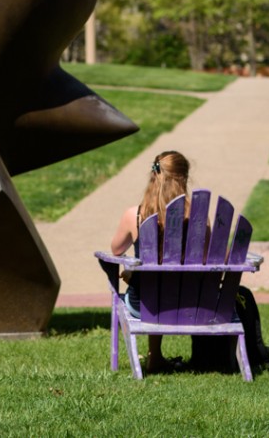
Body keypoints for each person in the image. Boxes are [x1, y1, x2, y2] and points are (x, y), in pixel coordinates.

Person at [110, 150, 191, 373]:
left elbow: (116, 250)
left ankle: (154, 358)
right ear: (184, 178)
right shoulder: (198, 218)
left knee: (155, 291)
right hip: (190, 302)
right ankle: (156, 357)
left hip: (142, 305)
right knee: (165, 288)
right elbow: (205, 260)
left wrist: (132, 271)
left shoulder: (134, 215)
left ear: (153, 175)